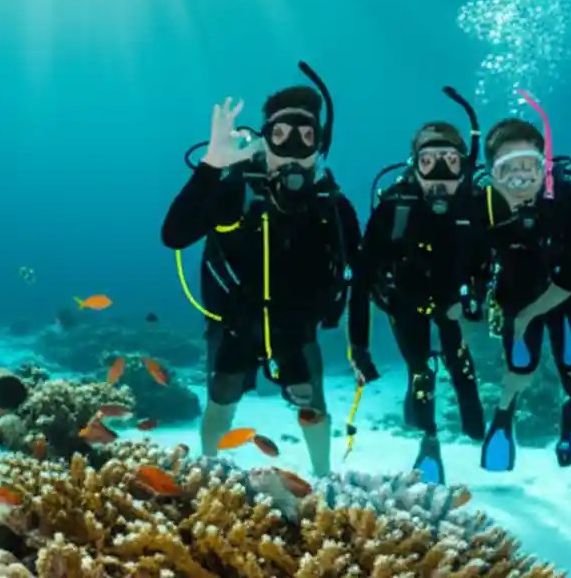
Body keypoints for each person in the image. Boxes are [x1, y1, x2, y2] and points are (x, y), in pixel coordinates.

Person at [161, 66, 373, 477]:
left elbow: (361, 274)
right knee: (221, 398)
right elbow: (173, 235)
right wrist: (210, 166)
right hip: (234, 322)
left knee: (313, 405)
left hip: (298, 329)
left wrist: (359, 346)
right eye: (280, 134)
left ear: (320, 145)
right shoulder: (235, 189)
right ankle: (208, 471)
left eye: (305, 135)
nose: (292, 146)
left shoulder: (331, 205)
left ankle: (323, 481)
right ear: (263, 138)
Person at [355, 99, 487, 484]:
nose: (441, 175)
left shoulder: (478, 204)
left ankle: (474, 423)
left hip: (453, 302)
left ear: (465, 163)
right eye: (429, 162)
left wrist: (475, 301)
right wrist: (358, 347)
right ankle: (428, 439)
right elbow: (362, 277)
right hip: (405, 301)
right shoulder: (395, 205)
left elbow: (491, 261)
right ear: (414, 165)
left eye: (450, 161)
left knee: (461, 364)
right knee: (419, 371)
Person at [473, 117, 571, 473]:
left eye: (530, 164)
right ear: (492, 174)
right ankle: (502, 420)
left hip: (564, 299)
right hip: (515, 299)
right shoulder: (484, 207)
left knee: (569, 362)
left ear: (546, 165)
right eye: (508, 168)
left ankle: (569, 421)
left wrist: (527, 316)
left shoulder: (567, 198)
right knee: (520, 367)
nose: (521, 176)